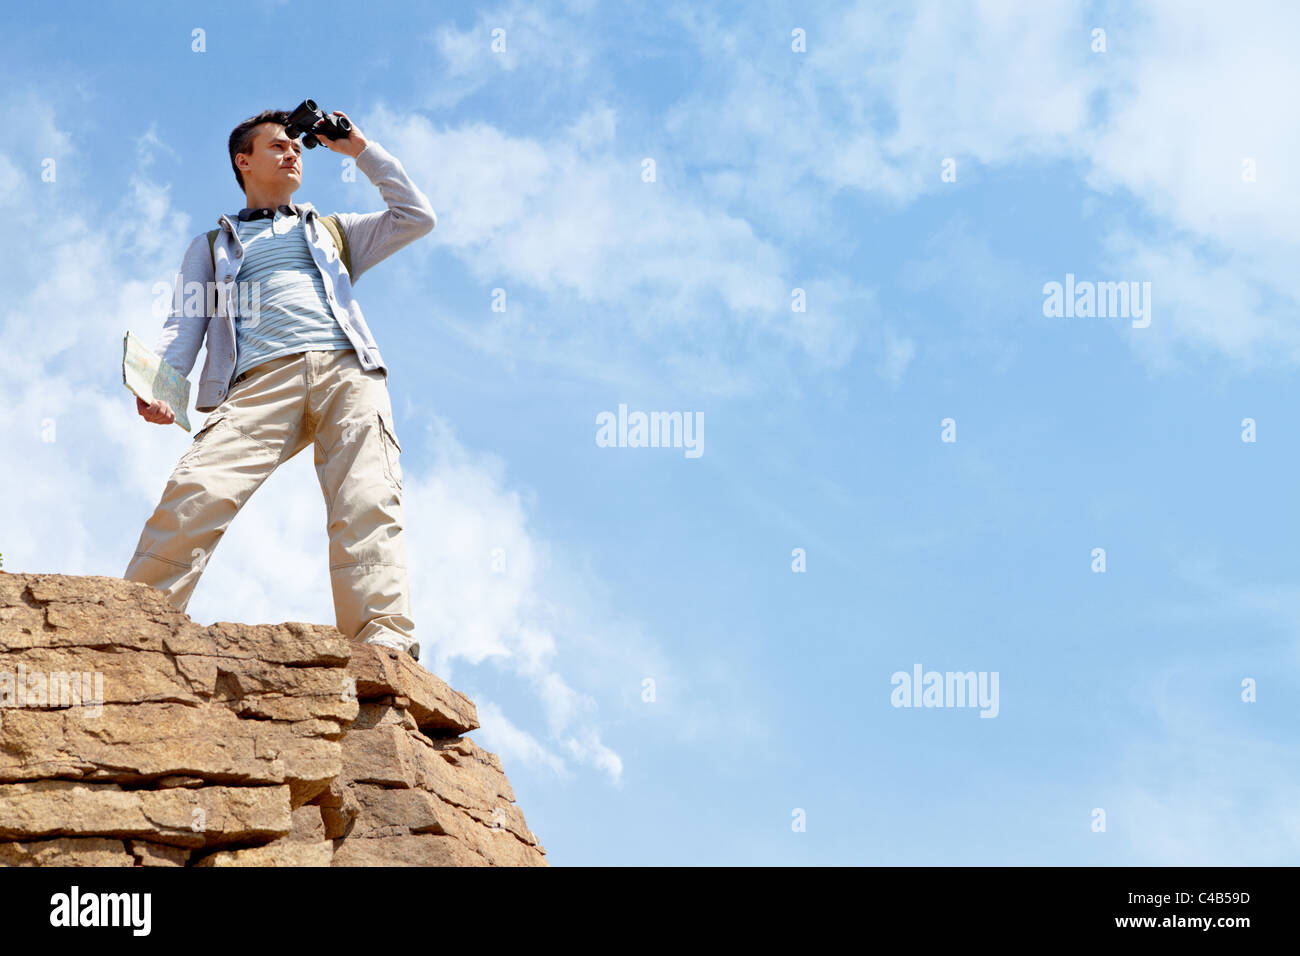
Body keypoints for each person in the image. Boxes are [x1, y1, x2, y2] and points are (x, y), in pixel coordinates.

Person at [125, 106, 435, 661]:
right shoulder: (212, 246)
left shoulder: (334, 232)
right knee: (197, 491)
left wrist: (360, 149)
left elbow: (415, 216)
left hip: (347, 372)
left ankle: (383, 641)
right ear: (244, 161)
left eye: (296, 147)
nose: (292, 152)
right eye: (277, 146)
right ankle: (132, 620)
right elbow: (185, 322)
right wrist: (163, 387)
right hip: (257, 383)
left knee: (367, 500)